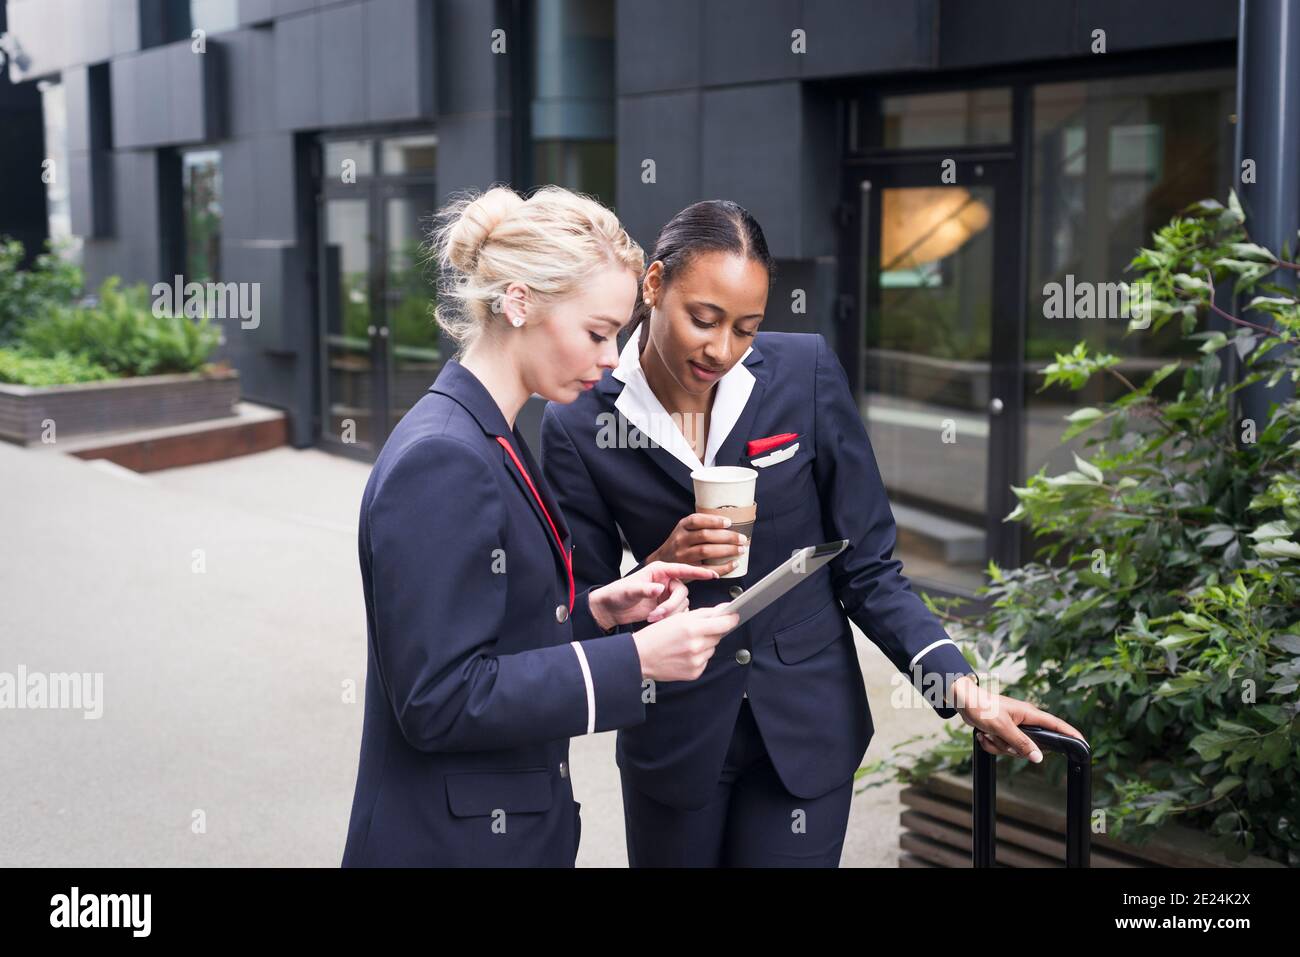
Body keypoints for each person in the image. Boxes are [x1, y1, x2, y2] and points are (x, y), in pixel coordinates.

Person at [540, 199, 1082, 867]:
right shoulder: (578, 423)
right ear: (653, 286)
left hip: (807, 723)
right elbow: (581, 608)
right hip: (675, 733)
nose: (722, 350)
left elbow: (870, 565)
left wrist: (959, 686)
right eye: (703, 320)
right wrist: (657, 561)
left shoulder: (805, 373)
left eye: (746, 327)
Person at [341, 186, 738, 867]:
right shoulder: (444, 456)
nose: (613, 356)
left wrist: (601, 611)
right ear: (518, 302)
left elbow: (498, 632)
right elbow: (440, 698)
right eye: (596, 331)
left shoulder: (487, 434)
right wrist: (635, 660)